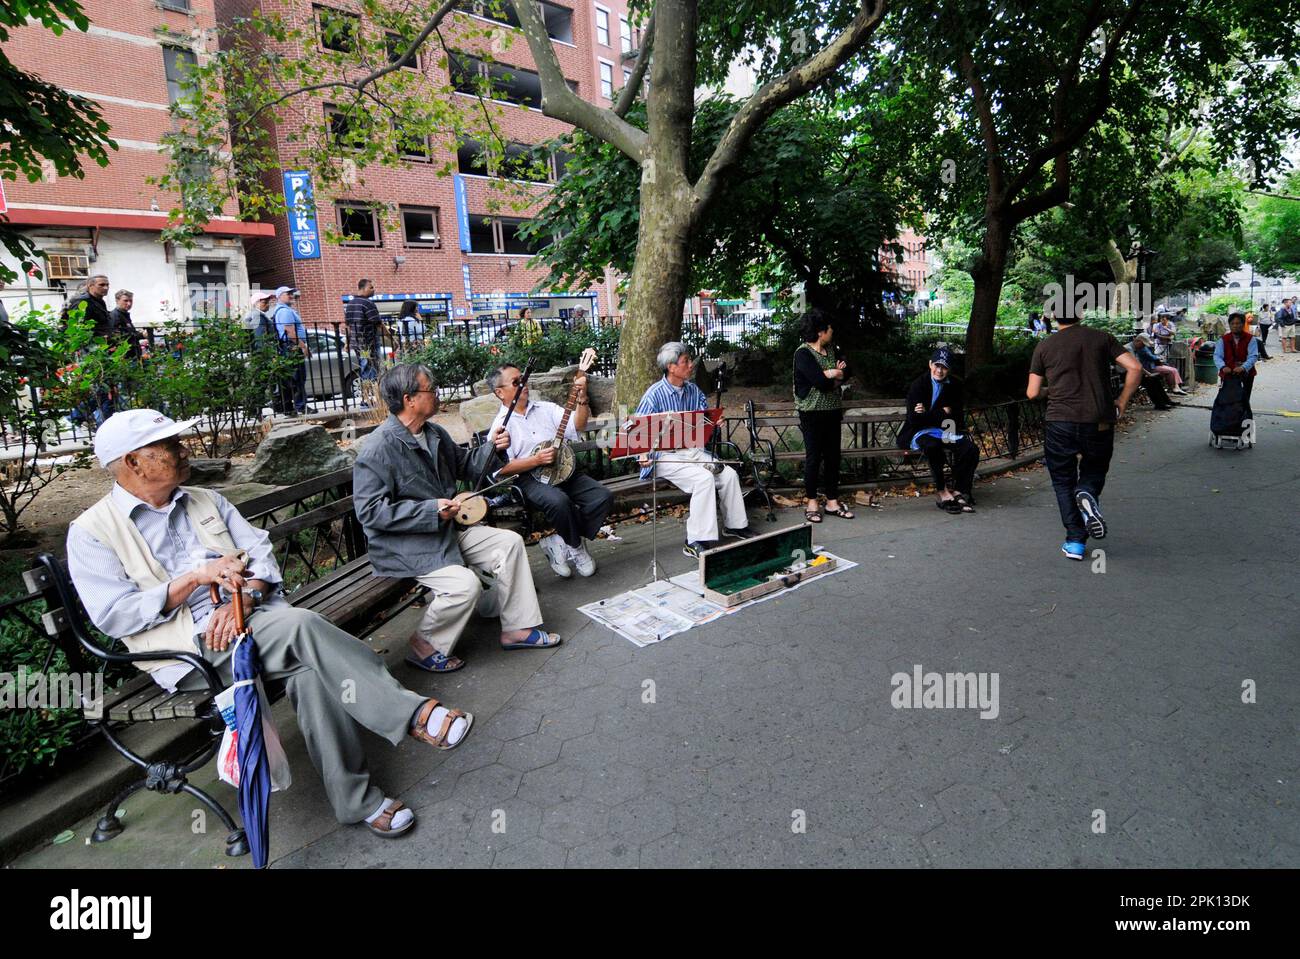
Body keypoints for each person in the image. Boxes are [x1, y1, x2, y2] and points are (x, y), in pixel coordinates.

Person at [66, 408, 476, 838]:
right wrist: (192, 580)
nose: (182, 450)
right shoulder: (91, 532)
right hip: (190, 648)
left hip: (255, 619)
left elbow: (260, 555)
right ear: (133, 462)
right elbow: (112, 614)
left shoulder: (206, 500)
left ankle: (358, 803)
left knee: (309, 673)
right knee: (302, 628)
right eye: (168, 446)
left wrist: (247, 595)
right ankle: (412, 714)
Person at [353, 363, 561, 674]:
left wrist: (494, 448)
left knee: (508, 543)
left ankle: (518, 628)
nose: (437, 395)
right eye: (430, 390)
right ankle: (425, 645)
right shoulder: (378, 448)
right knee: (464, 585)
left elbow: (466, 466)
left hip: (445, 533)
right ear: (409, 399)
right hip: (404, 545)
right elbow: (369, 512)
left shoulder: (433, 433)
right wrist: (429, 510)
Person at [1027, 312, 1143, 561]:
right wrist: (1122, 401)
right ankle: (1088, 492)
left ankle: (1075, 541)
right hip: (1098, 419)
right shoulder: (1101, 338)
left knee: (1062, 481)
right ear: (1079, 314)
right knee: (1094, 470)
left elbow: (1032, 392)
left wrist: (1051, 389)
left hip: (1060, 422)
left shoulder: (1044, 346)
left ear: (1054, 316)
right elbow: (1135, 367)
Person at [488, 364, 613, 578]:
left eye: (524, 379)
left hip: (562, 470)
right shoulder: (500, 426)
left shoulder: (545, 408)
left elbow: (578, 426)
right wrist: (535, 460)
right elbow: (500, 470)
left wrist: (582, 398)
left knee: (603, 497)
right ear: (500, 393)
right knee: (559, 502)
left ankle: (559, 540)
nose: (523, 385)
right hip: (529, 479)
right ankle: (576, 546)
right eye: (516, 382)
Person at [634, 342, 753, 557]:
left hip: (692, 451)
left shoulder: (692, 390)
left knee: (729, 475)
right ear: (671, 367)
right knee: (704, 479)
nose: (691, 365)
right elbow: (638, 433)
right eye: (685, 361)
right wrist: (642, 454)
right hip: (663, 457)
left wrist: (714, 422)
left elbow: (703, 420)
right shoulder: (653, 395)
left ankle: (735, 525)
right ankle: (694, 540)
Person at [898, 347, 980, 514]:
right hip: (919, 431)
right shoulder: (918, 385)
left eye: (944, 367)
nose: (939, 370)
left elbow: (956, 417)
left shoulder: (955, 385)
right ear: (930, 364)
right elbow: (914, 419)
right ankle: (942, 491)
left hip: (946, 430)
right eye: (937, 365)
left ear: (949, 369)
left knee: (970, 448)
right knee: (932, 446)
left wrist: (928, 413)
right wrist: (942, 412)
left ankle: (959, 490)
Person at [792, 309, 854, 522]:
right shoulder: (802, 353)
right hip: (811, 413)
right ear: (820, 332)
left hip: (832, 411)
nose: (832, 331)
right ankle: (811, 502)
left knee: (833, 457)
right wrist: (830, 375)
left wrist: (833, 375)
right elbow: (818, 382)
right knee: (814, 458)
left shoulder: (832, 350)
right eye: (829, 328)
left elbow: (847, 372)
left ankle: (832, 501)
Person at [272, 286, 312, 415]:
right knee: (298, 378)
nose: (291, 295)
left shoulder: (285, 310)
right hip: (292, 347)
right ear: (280, 296)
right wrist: (303, 346)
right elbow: (289, 332)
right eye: (288, 293)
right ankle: (301, 406)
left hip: (290, 347)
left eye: (291, 293)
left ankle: (293, 407)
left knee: (294, 379)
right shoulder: (285, 312)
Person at [1214, 312, 1258, 418]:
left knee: (1244, 399)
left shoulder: (1250, 339)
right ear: (1229, 325)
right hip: (1228, 374)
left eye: (1238, 323)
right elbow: (1217, 356)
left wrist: (1243, 367)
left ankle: (1243, 420)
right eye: (1233, 323)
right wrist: (1223, 367)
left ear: (1243, 324)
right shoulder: (1223, 340)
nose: (1235, 326)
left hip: (1246, 375)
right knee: (1227, 399)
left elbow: (1253, 356)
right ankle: (1227, 421)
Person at [345, 279, 383, 380]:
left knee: (365, 364)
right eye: (371, 287)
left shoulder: (350, 304)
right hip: (368, 343)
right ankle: (371, 390)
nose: (373, 289)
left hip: (357, 343)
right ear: (363, 288)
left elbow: (349, 326)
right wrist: (392, 338)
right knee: (370, 365)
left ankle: (368, 389)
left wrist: (347, 343)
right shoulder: (368, 303)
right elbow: (379, 324)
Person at [1131, 333, 1187, 402]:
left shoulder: (1142, 348)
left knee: (1170, 371)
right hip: (1148, 368)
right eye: (1143, 343)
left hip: (1148, 368)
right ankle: (1173, 389)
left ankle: (1172, 392)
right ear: (1138, 341)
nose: (1144, 345)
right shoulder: (1141, 349)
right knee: (1170, 371)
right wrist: (1149, 372)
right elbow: (1150, 358)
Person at [64, 274, 114, 340]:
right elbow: (77, 327)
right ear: (90, 285)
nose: (106, 288)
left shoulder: (100, 301)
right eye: (101, 285)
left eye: (107, 285)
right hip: (89, 345)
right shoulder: (83, 301)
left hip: (103, 343)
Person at [108, 289, 143, 363]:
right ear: (117, 301)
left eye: (131, 301)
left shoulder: (124, 315)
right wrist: (140, 335)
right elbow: (118, 337)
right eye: (125, 301)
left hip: (132, 354)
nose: (129, 303)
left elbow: (128, 332)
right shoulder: (114, 316)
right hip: (124, 357)